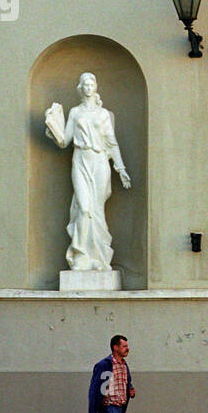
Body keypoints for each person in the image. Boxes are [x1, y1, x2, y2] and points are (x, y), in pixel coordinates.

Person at [45, 72, 131, 272]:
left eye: (92, 83)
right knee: (84, 209)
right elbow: (64, 141)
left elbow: (112, 143)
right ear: (80, 88)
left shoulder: (104, 114)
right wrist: (53, 127)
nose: (89, 87)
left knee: (97, 211)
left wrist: (121, 168)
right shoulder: (75, 112)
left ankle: (99, 259)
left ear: (96, 87)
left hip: (100, 161)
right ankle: (81, 257)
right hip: (81, 159)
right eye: (85, 84)